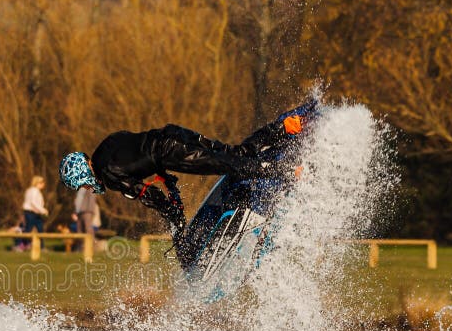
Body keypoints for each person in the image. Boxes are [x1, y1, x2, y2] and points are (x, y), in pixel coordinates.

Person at [58, 100, 318, 264]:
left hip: (175, 152)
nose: (89, 189)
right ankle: (286, 127)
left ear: (82, 175)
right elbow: (140, 151)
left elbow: (153, 199)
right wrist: (166, 181)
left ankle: (287, 172)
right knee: (235, 155)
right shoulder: (107, 144)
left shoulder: (110, 177)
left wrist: (179, 228)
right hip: (175, 133)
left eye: (83, 185)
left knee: (233, 166)